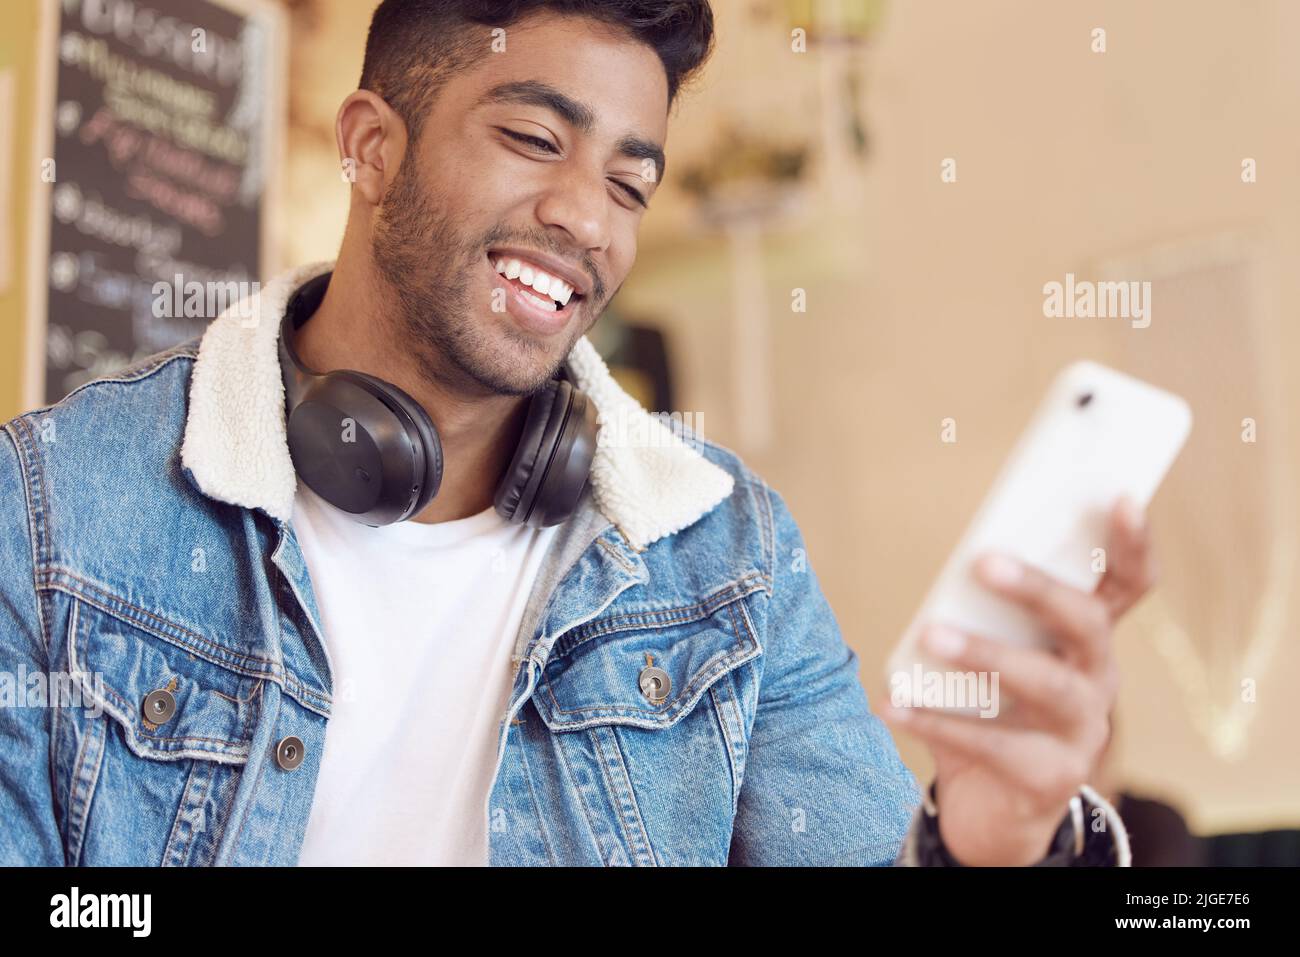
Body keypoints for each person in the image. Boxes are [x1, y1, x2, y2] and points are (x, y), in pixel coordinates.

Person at [0, 0, 1156, 866]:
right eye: (534, 140)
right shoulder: (47, 512)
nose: (583, 220)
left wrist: (991, 845)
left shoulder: (727, 554)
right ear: (370, 146)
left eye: (629, 184)